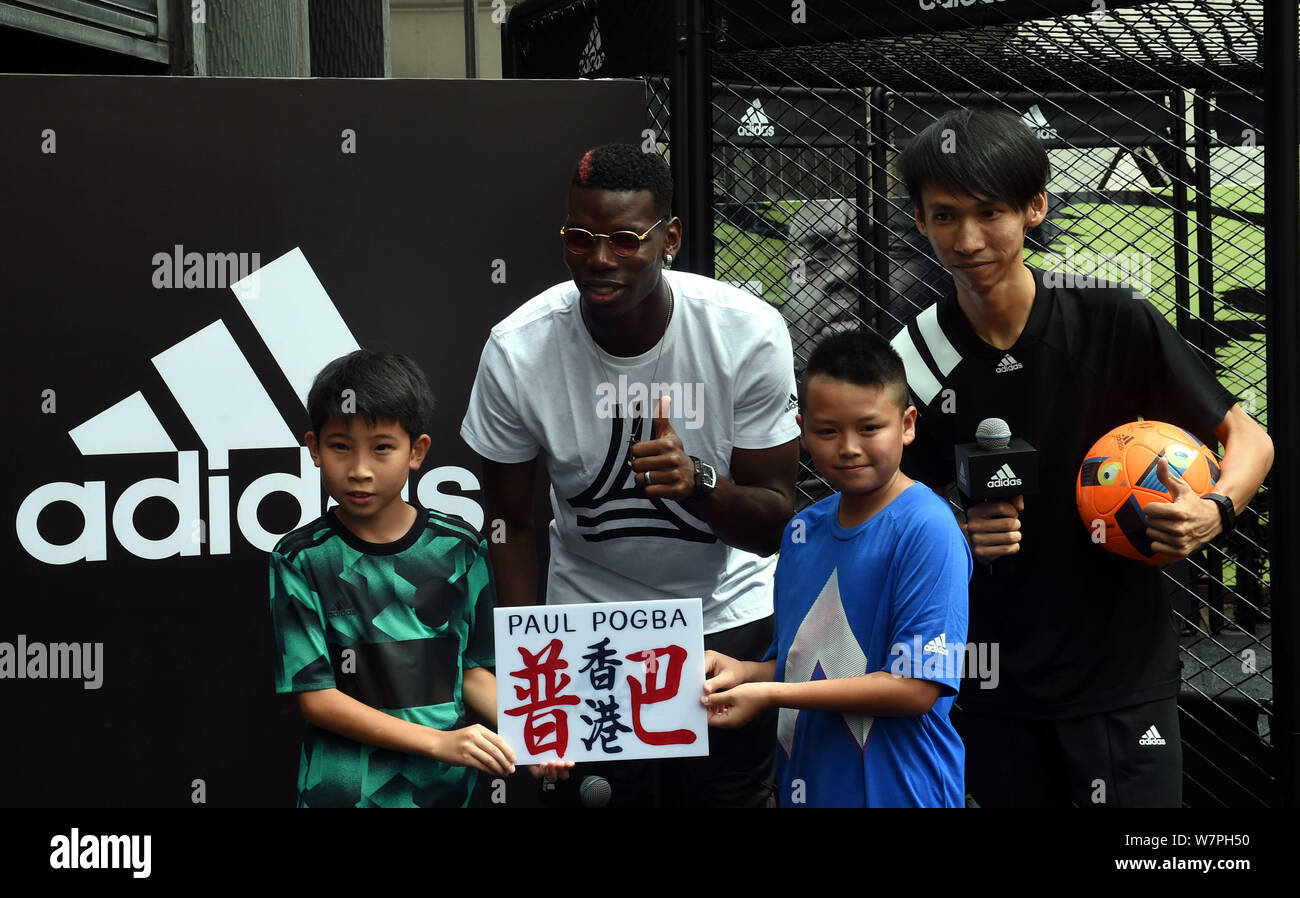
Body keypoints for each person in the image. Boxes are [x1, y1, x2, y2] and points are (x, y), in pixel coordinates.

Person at [891, 107, 1274, 807]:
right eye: (944, 216)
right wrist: (955, 526)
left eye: (991, 211)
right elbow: (889, 511)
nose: (968, 238)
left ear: (1035, 208)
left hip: (1121, 673)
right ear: (918, 221)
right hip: (988, 675)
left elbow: (1248, 438)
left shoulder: (1112, 320)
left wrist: (1213, 509)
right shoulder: (912, 356)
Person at [461, 143, 800, 807]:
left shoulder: (746, 333)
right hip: (590, 623)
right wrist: (533, 684)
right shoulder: (520, 346)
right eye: (581, 237)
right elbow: (511, 525)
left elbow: (776, 524)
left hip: (723, 621)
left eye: (624, 238)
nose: (600, 258)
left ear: (669, 237)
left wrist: (699, 483)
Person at [700, 329, 971, 807]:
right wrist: (745, 673)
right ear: (802, 432)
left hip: (900, 791)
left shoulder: (928, 527)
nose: (848, 447)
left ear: (907, 424)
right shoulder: (802, 531)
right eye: (828, 431)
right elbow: (806, 661)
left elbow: (916, 688)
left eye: (869, 428)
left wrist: (771, 695)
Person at [268, 350, 517, 808]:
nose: (360, 469)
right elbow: (318, 698)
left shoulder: (460, 546)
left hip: (446, 793)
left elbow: (474, 671)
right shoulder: (301, 558)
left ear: (416, 452)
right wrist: (439, 742)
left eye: (382, 447)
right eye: (341, 446)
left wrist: (536, 738)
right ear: (314, 448)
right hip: (342, 794)